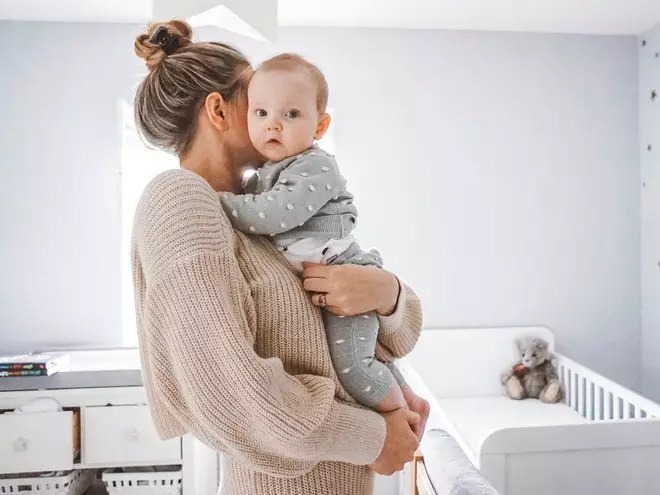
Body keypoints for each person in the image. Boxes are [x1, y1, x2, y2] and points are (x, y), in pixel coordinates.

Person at [131, 19, 424, 495]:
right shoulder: (181, 199)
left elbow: (391, 338)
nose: (275, 121)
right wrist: (373, 439)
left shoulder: (264, 209)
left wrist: (387, 294)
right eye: (259, 103)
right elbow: (236, 395)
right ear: (219, 111)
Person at [215, 53, 430, 437]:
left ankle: (403, 419)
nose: (273, 124)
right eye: (260, 112)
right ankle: (409, 398)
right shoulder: (262, 175)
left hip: (346, 272)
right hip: (325, 283)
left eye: (291, 114)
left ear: (321, 125)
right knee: (359, 356)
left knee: (354, 368)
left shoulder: (316, 166)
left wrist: (217, 200)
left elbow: (273, 214)